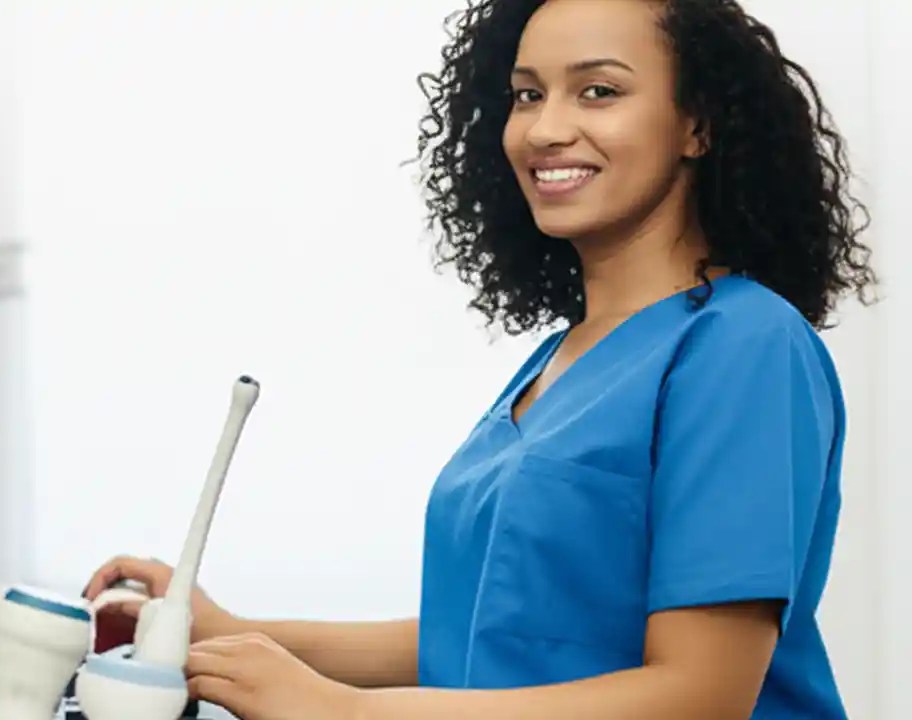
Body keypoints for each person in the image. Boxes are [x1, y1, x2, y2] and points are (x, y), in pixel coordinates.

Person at [81, 0, 877, 717]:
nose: (545, 128)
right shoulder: (559, 360)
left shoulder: (743, 346)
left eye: (598, 90)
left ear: (697, 123)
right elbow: (490, 638)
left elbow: (699, 694)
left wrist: (345, 714)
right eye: (528, 93)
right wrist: (232, 632)